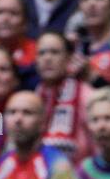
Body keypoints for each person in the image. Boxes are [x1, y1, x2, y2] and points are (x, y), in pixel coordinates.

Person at [35, 31, 94, 162]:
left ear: (68, 58)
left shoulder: (87, 95)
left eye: (55, 52)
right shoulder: (33, 97)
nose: (47, 58)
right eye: (42, 53)